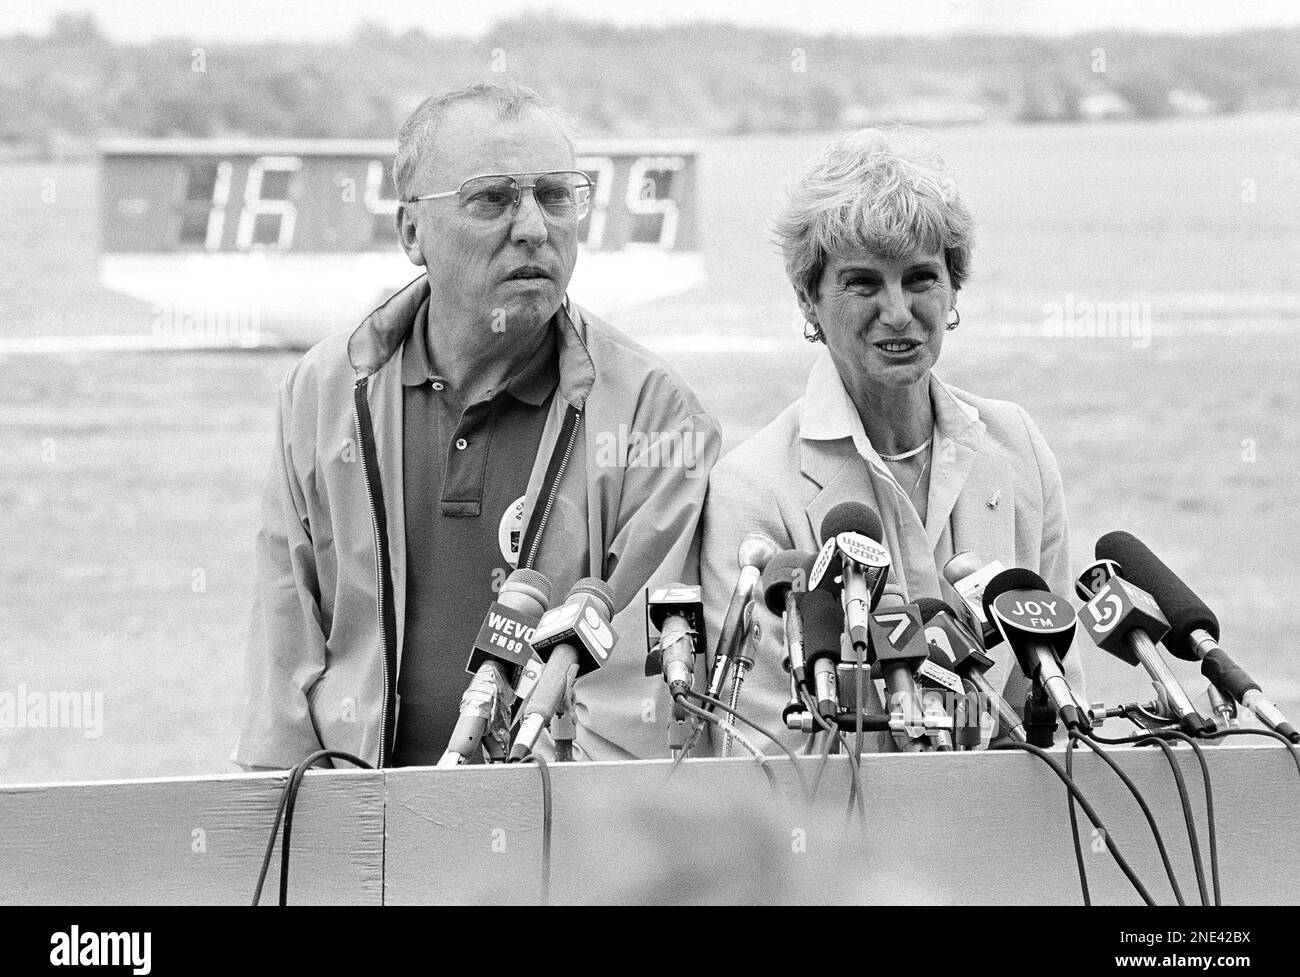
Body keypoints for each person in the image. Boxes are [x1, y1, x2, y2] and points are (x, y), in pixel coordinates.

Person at [233, 82, 720, 769]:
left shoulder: (654, 415)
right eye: (492, 199)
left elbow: (640, 699)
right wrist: (300, 843)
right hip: (360, 835)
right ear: (411, 232)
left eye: (555, 195)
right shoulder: (323, 392)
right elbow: (282, 666)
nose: (532, 227)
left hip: (558, 840)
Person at [700, 127, 1084, 750]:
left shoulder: (1018, 449)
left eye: (921, 278)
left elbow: (1056, 700)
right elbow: (764, 744)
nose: (899, 311)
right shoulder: (753, 490)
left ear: (955, 288)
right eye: (863, 283)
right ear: (807, 299)